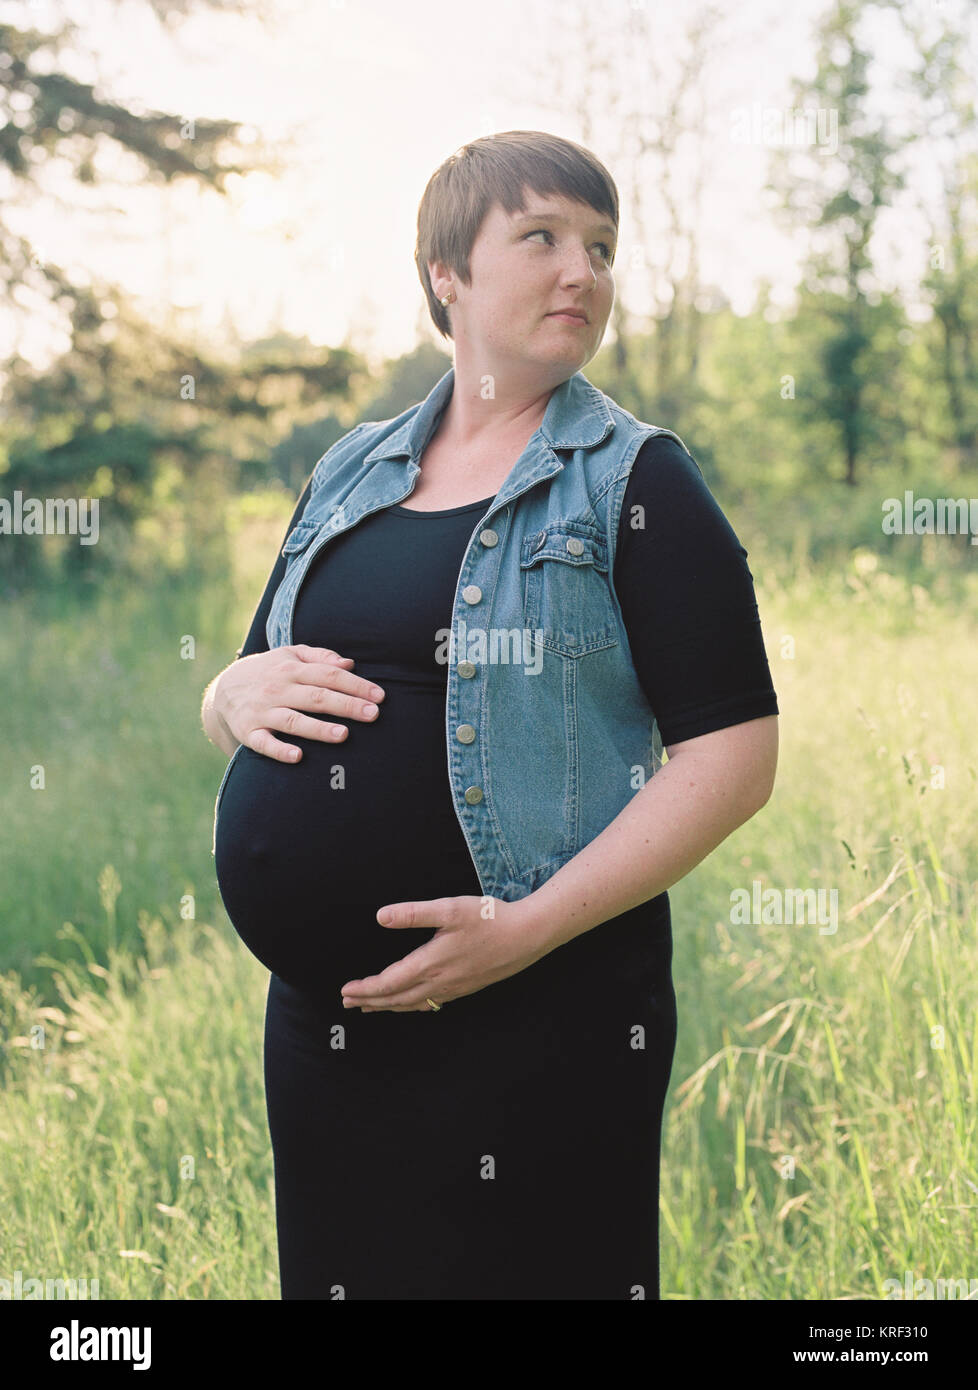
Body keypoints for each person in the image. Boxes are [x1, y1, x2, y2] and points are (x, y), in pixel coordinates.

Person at [200, 130, 779, 1301]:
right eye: (542, 237)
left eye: (602, 247)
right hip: (332, 1030)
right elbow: (260, 677)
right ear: (445, 275)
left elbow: (735, 755)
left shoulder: (638, 482)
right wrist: (219, 693)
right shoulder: (349, 470)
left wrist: (523, 929)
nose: (584, 272)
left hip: (544, 1011)